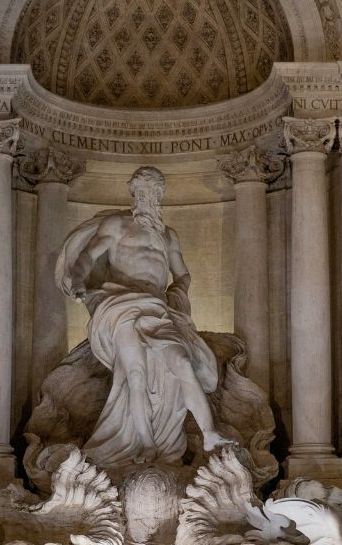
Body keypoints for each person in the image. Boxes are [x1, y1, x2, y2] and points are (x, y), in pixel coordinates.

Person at [54, 166, 233, 470]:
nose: (150, 198)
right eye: (143, 192)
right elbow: (87, 256)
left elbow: (183, 274)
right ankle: (147, 445)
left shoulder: (169, 236)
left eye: (155, 192)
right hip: (121, 305)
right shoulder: (117, 225)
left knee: (182, 362)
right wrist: (80, 280)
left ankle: (209, 434)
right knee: (135, 376)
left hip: (158, 309)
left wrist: (178, 293)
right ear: (133, 194)